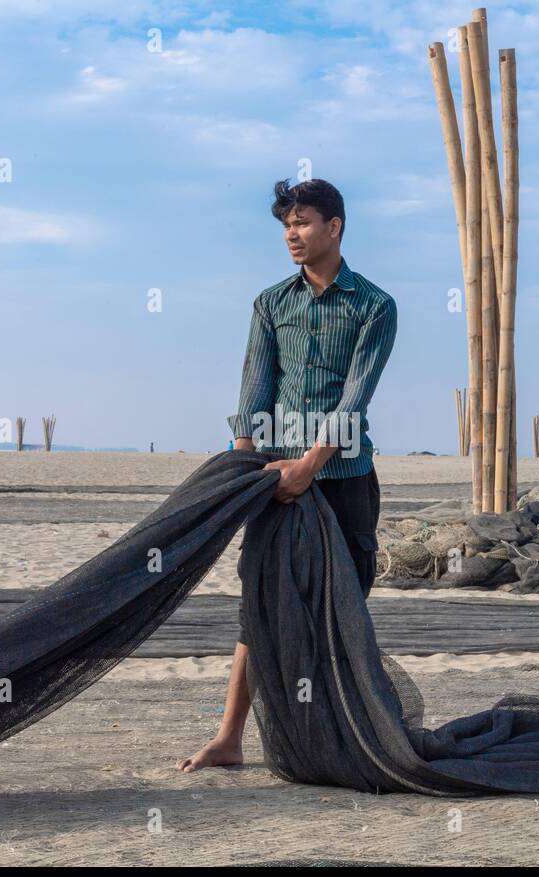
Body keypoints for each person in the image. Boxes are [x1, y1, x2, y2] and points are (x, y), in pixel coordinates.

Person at [176, 178, 397, 772]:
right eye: (285, 226)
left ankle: (347, 734)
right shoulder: (271, 303)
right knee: (262, 605)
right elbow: (255, 388)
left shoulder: (374, 306)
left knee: (341, 607)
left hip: (345, 478)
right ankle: (229, 738)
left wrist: (311, 464)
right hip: (274, 484)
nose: (292, 236)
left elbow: (355, 398)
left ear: (335, 226)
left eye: (302, 223)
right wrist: (249, 462)